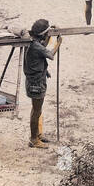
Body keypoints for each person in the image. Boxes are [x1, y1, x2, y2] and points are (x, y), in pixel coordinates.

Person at [23, 19, 62, 149]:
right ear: (43, 35)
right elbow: (50, 54)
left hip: (34, 80)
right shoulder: (36, 46)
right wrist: (58, 43)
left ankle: (37, 135)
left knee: (36, 110)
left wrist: (50, 34)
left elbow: (41, 51)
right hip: (36, 83)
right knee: (36, 111)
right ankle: (34, 139)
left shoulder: (31, 42)